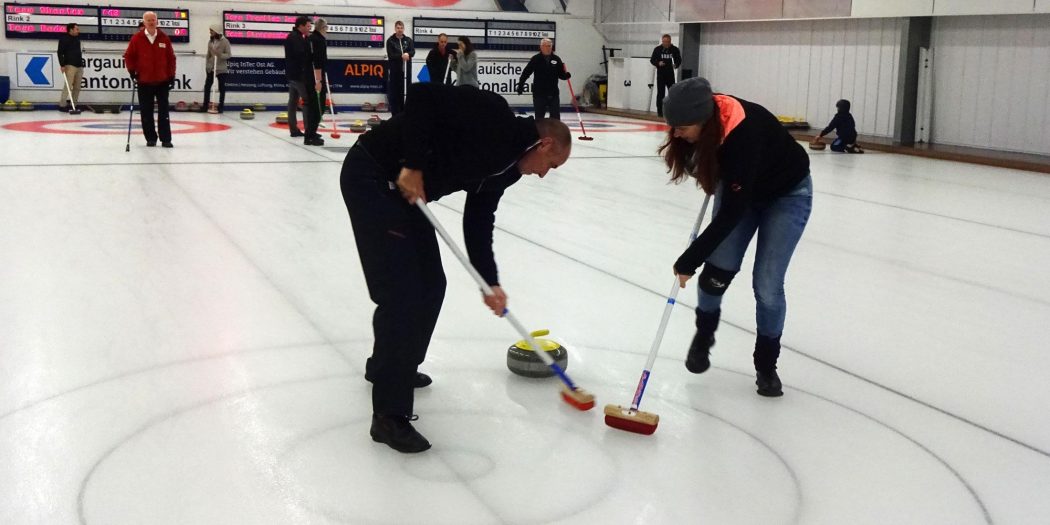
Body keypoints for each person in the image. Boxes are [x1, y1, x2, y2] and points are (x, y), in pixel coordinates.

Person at [339, 83, 572, 453]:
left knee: (432, 284)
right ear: (544, 145)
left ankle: (391, 366)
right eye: (552, 165)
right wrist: (413, 165)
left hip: (407, 196)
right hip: (372, 176)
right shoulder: (494, 116)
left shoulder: (508, 169)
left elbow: (479, 219)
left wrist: (488, 281)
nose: (545, 174)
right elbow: (421, 96)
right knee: (403, 294)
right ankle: (388, 415)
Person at [659, 77, 813, 397]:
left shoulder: (745, 133)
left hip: (787, 195)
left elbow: (732, 213)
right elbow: (728, 189)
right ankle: (704, 336)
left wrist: (689, 259)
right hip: (742, 188)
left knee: (768, 285)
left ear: (703, 120)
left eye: (682, 126)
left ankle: (766, 366)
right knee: (718, 271)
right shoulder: (706, 121)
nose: (675, 133)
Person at [124, 11, 176, 148]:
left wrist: (171, 75)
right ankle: (151, 138)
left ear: (157, 21)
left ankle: (166, 139)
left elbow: (171, 58)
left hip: (162, 81)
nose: (151, 22)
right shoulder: (137, 38)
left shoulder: (164, 38)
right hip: (144, 81)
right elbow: (129, 56)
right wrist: (132, 71)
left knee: (163, 111)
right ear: (144, 22)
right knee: (146, 112)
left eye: (153, 20)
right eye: (148, 20)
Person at [284, 16, 322, 145]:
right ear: (300, 26)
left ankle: (294, 129)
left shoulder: (293, 36)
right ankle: (309, 130)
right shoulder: (297, 38)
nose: (309, 28)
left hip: (292, 74)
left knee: (293, 102)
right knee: (307, 102)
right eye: (307, 26)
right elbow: (302, 56)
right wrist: (313, 56)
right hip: (299, 75)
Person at [517, 38, 570, 119]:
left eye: (549, 46)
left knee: (555, 118)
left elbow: (561, 75)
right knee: (539, 118)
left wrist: (566, 76)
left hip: (553, 93)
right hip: (539, 94)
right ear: (541, 47)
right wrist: (521, 85)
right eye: (545, 46)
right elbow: (526, 73)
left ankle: (554, 132)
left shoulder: (556, 59)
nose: (548, 48)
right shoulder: (535, 59)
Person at [385, 21, 415, 116]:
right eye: (398, 28)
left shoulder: (408, 40)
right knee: (395, 93)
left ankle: (404, 113)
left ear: (403, 29)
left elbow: (412, 51)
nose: (400, 29)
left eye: (401, 28)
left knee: (405, 92)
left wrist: (408, 54)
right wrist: (401, 56)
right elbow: (391, 55)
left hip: (406, 72)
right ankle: (395, 114)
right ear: (395, 29)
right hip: (395, 72)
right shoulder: (390, 41)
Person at [649, 34, 681, 117]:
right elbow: (652, 60)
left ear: (670, 42)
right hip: (661, 74)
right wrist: (658, 63)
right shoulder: (657, 49)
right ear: (662, 41)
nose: (666, 43)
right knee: (660, 93)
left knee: (672, 93)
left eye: (667, 42)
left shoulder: (674, 49)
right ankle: (660, 112)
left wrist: (676, 65)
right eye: (664, 42)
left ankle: (672, 111)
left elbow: (679, 60)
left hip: (670, 74)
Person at [203, 24, 231, 114]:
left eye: (212, 31)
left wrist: (220, 55)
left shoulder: (225, 42)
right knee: (207, 86)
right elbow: (208, 54)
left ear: (216, 31)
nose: (210, 32)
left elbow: (229, 55)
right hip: (211, 68)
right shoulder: (210, 41)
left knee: (222, 88)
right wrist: (207, 64)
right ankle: (205, 106)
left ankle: (221, 107)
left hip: (221, 68)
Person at [57, 23, 85, 114]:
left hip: (79, 65)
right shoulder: (64, 39)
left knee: (77, 86)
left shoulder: (78, 39)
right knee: (68, 86)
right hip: (70, 65)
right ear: (71, 30)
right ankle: (62, 104)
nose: (78, 31)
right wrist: (62, 65)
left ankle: (74, 104)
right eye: (76, 29)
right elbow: (60, 52)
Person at [310, 18, 329, 118]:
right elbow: (318, 60)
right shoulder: (319, 40)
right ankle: (315, 122)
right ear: (322, 27)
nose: (327, 29)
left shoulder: (310, 37)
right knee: (320, 99)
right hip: (317, 73)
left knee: (314, 99)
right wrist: (319, 80)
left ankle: (313, 123)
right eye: (326, 27)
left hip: (310, 72)